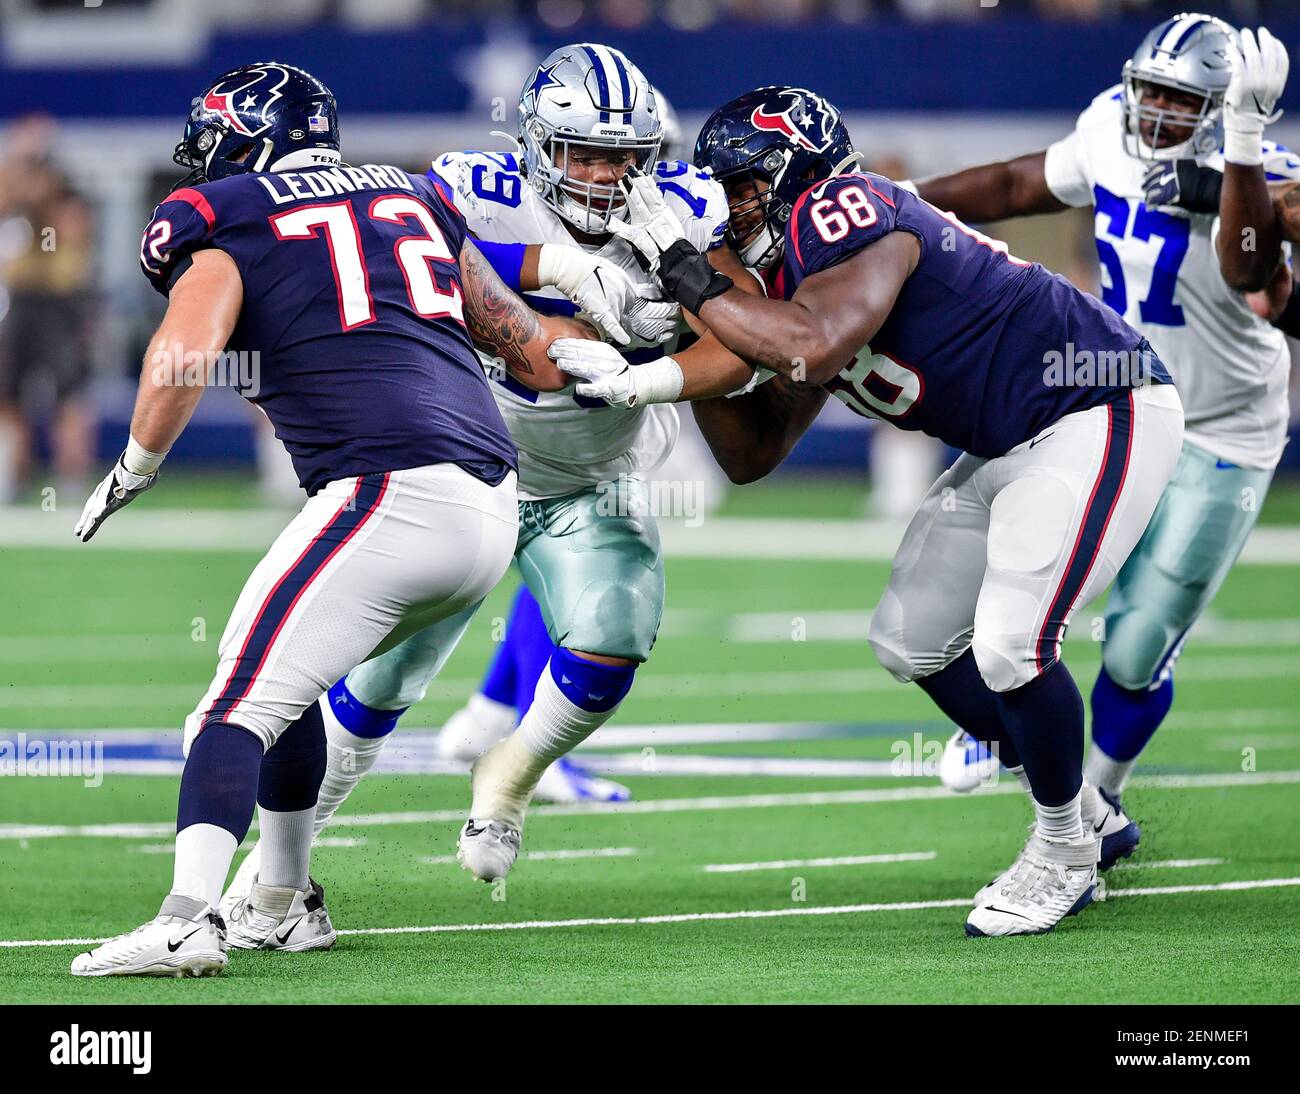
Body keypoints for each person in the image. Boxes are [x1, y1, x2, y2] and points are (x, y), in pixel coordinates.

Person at [554, 85, 1185, 936]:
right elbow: (752, 452)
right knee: (911, 635)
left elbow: (811, 344)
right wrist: (681, 328)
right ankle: (1083, 813)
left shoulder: (849, 208)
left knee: (1012, 641)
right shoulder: (785, 275)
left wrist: (690, 275)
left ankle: (1065, 847)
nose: (730, 207)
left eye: (744, 186)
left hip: (1097, 407)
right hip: (1009, 442)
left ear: (794, 174)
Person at [68, 61, 617, 977]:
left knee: (236, 700)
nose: (203, 159)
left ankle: (185, 918)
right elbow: (525, 345)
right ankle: (285, 901)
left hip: (389, 490)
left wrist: (138, 465)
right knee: (290, 693)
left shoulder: (227, 211)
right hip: (489, 502)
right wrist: (644, 354)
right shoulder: (408, 194)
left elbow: (182, 353)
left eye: (214, 138)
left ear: (248, 137)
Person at [221, 46, 746, 907]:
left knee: (617, 633)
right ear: (539, 144)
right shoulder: (475, 189)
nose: (606, 175)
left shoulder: (689, 206)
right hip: (466, 468)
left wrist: (666, 335)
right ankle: (273, 877)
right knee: (377, 682)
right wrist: (565, 279)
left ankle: (507, 776)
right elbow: (415, 261)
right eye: (584, 152)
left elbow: (739, 331)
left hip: (593, 477)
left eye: (623, 156)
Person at [909, 16, 1293, 865]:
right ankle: (1007, 726)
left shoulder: (1266, 168)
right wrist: (898, 206)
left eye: (1180, 99)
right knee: (1023, 593)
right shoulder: (1105, 130)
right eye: (1149, 90)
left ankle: (1102, 799)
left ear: (1224, 107)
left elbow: (1247, 266)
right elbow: (1014, 186)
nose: (1154, 112)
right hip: (1115, 398)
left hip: (1224, 428)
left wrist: (1240, 145)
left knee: (1135, 641)